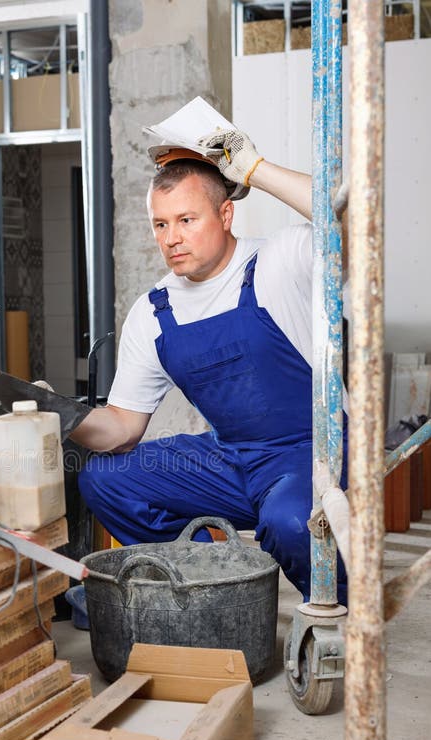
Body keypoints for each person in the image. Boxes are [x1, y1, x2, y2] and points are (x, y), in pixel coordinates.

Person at [70, 102, 347, 606]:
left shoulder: (280, 261)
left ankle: (339, 611)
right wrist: (61, 417)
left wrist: (255, 170)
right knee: (104, 477)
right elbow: (122, 428)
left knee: (290, 520)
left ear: (225, 213)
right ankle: (209, 583)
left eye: (186, 219)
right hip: (232, 459)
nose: (171, 239)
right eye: (159, 225)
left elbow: (348, 214)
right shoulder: (153, 310)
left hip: (312, 453)